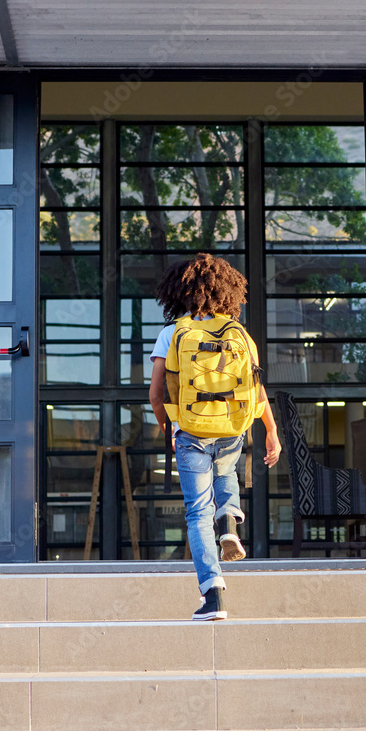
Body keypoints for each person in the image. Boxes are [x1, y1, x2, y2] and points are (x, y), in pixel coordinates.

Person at [148, 253, 281, 621]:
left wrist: (167, 426)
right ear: (228, 292)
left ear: (179, 292)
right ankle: (230, 521)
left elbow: (156, 395)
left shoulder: (173, 332)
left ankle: (213, 595)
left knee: (195, 514)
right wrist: (271, 430)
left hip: (190, 431)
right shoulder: (240, 333)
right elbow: (256, 389)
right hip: (231, 429)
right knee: (226, 473)